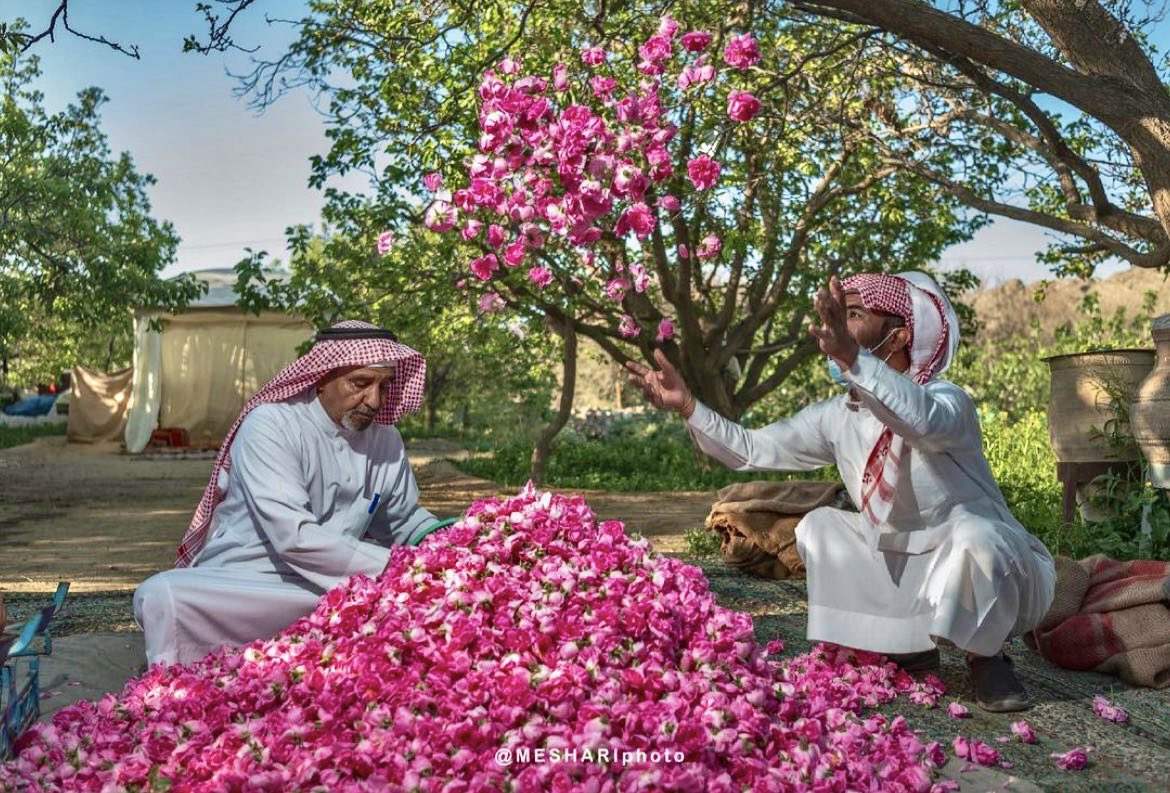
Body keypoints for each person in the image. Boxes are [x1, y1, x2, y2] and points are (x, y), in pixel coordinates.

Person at [626, 273, 1055, 712]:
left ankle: (987, 657)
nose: (835, 324)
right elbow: (750, 449)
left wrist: (854, 360)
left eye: (853, 314)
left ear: (899, 336)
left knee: (977, 536)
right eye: (837, 314)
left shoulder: (947, 400)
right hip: (905, 565)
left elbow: (919, 420)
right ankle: (904, 642)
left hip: (990, 567)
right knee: (821, 526)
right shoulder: (836, 415)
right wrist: (688, 406)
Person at [134, 320, 443, 666]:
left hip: (333, 587)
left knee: (422, 601)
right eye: (361, 383)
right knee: (163, 594)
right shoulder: (271, 425)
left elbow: (404, 521)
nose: (374, 400)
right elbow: (294, 538)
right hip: (252, 583)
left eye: (384, 386)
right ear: (322, 378)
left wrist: (452, 543)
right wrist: (401, 568)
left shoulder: (386, 440)